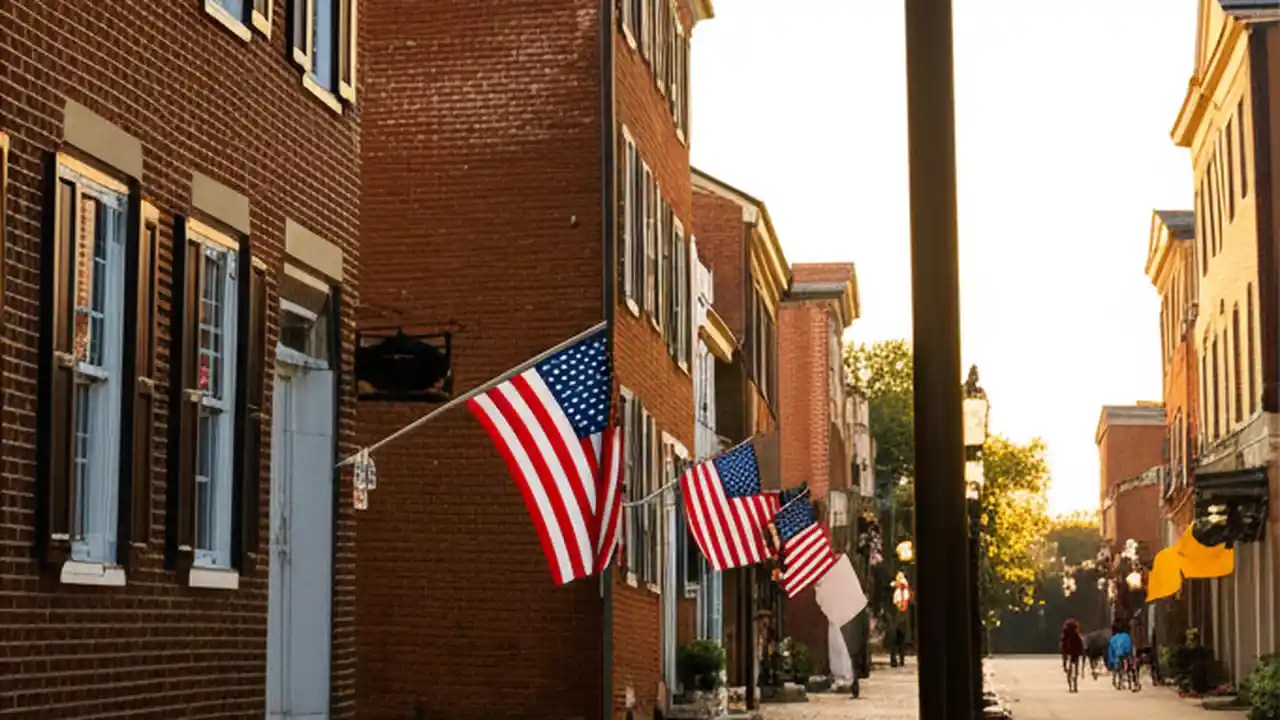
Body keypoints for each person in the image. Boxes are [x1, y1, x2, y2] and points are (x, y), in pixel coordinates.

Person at [1107, 622, 1136, 690]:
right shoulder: (1127, 637)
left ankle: (1115, 681)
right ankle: (1129, 684)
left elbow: (1110, 651)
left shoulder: (1113, 639)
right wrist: (1130, 657)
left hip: (1117, 656)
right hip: (1125, 655)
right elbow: (1129, 648)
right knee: (1128, 669)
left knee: (1117, 669)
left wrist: (1111, 660)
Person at [1060, 618, 1085, 692]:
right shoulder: (1076, 636)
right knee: (1075, 670)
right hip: (1074, 654)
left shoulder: (1065, 636)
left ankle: (1071, 685)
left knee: (1069, 670)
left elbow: (1063, 647)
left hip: (1069, 654)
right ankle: (1074, 685)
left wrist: (1064, 660)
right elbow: (1081, 647)